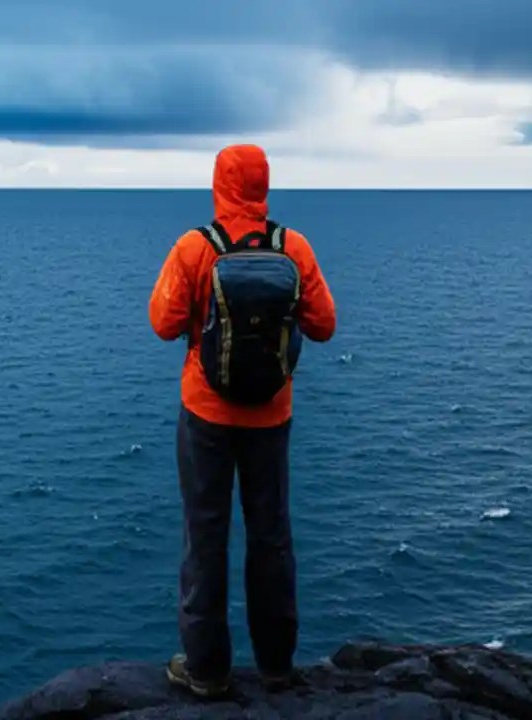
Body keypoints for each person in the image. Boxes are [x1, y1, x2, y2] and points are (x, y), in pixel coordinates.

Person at [148, 144, 337, 697]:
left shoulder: (195, 248)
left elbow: (163, 323)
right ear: (264, 187)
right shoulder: (292, 246)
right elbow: (324, 325)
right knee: (271, 536)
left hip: (206, 413)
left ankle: (206, 670)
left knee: (205, 537)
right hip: (271, 416)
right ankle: (277, 665)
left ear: (218, 184)